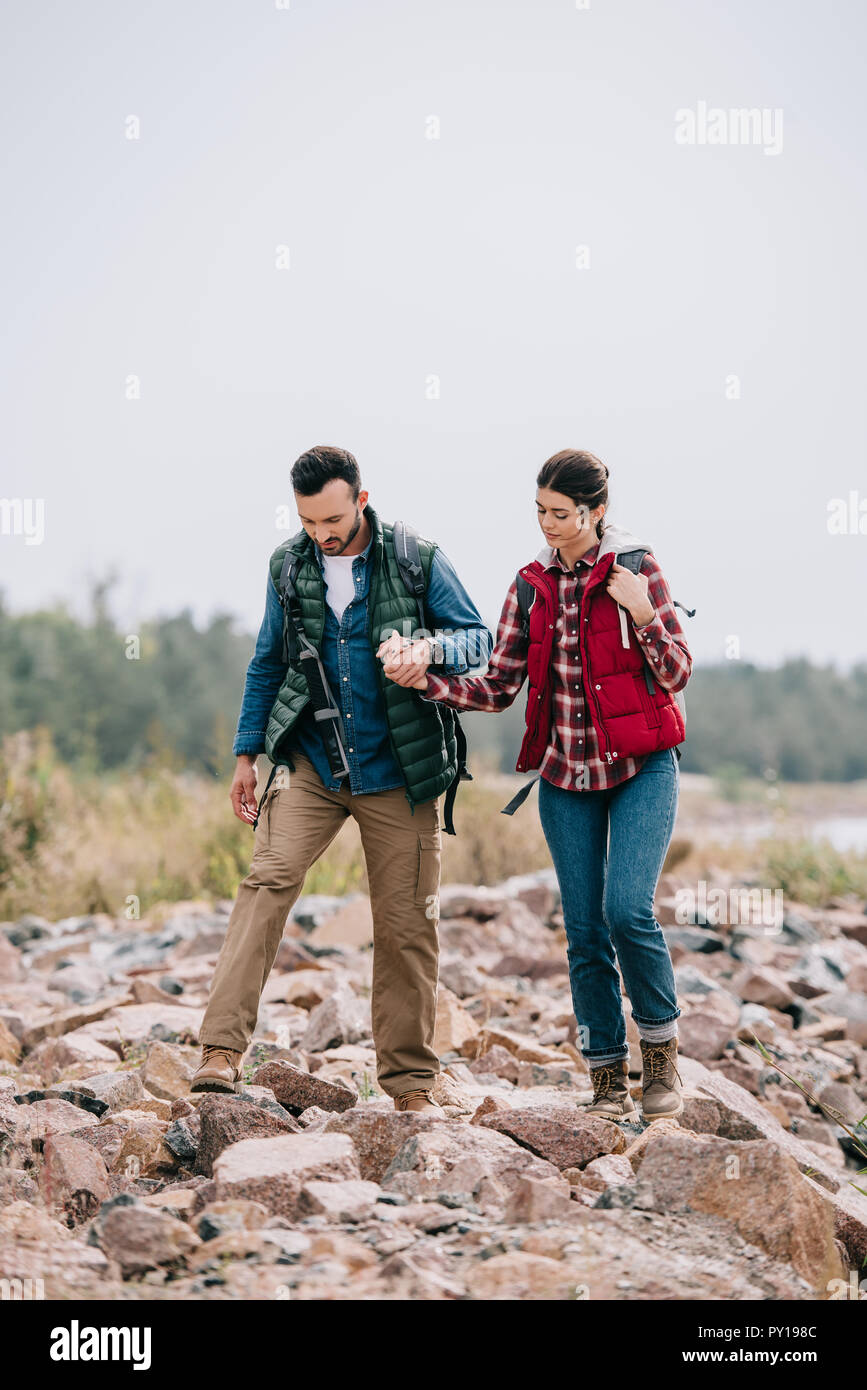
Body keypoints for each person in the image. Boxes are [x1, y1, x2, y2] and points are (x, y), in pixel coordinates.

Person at [379, 449, 692, 1121]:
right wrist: (426, 682)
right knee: (582, 932)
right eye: (539, 512)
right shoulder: (529, 586)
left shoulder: (637, 570)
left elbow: (675, 673)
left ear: (596, 512)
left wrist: (641, 613)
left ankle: (661, 1059)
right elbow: (497, 684)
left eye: (561, 514)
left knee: (626, 912)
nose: (547, 525)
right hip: (564, 779)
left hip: (642, 769)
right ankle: (607, 1080)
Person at [193, 445, 492, 1113]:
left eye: (331, 519)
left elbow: (479, 638)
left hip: (400, 771)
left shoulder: (416, 557)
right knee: (267, 881)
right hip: (311, 764)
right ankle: (218, 1051)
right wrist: (246, 756)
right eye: (308, 522)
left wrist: (430, 648)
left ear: (361, 499)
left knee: (406, 923)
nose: (321, 534)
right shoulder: (287, 564)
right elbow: (266, 663)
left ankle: (410, 1085)